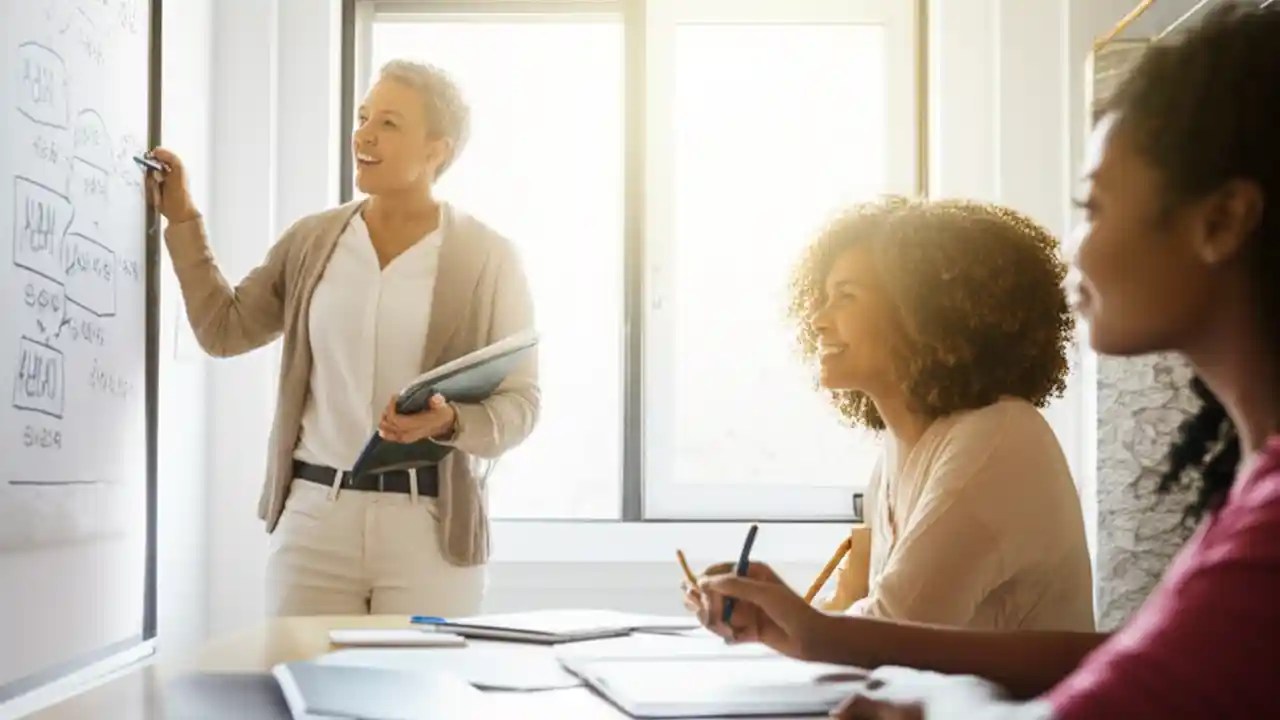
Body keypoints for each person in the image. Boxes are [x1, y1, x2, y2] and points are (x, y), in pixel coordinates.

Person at [694, 3, 1280, 718]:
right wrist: (823, 633)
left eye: (1093, 207)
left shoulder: (1267, 525)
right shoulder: (1252, 495)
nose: (1071, 247)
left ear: (1222, 222)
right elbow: (1131, 657)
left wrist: (930, 709)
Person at [149, 59, 539, 616]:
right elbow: (224, 330)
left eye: (389, 123)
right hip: (315, 522)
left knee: (419, 677)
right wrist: (183, 218)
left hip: (431, 531)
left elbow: (522, 404)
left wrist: (450, 421)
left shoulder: (489, 257)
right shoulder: (314, 240)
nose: (364, 135)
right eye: (362, 118)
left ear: (437, 151)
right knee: (299, 675)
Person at [688, 197, 1092, 632]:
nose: (819, 320)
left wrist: (774, 615)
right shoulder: (894, 457)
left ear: (925, 312)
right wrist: (765, 609)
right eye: (823, 298)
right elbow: (862, 619)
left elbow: (891, 630)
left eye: (846, 296)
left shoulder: (998, 440)